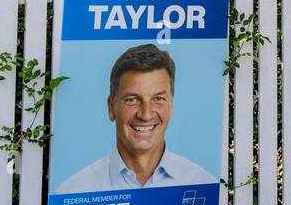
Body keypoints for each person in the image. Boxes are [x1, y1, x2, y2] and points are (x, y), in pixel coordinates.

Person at [55, 43, 216, 193]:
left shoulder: (204, 187)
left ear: (171, 106)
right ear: (111, 107)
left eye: (158, 99)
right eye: (132, 100)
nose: (146, 114)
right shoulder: (74, 192)